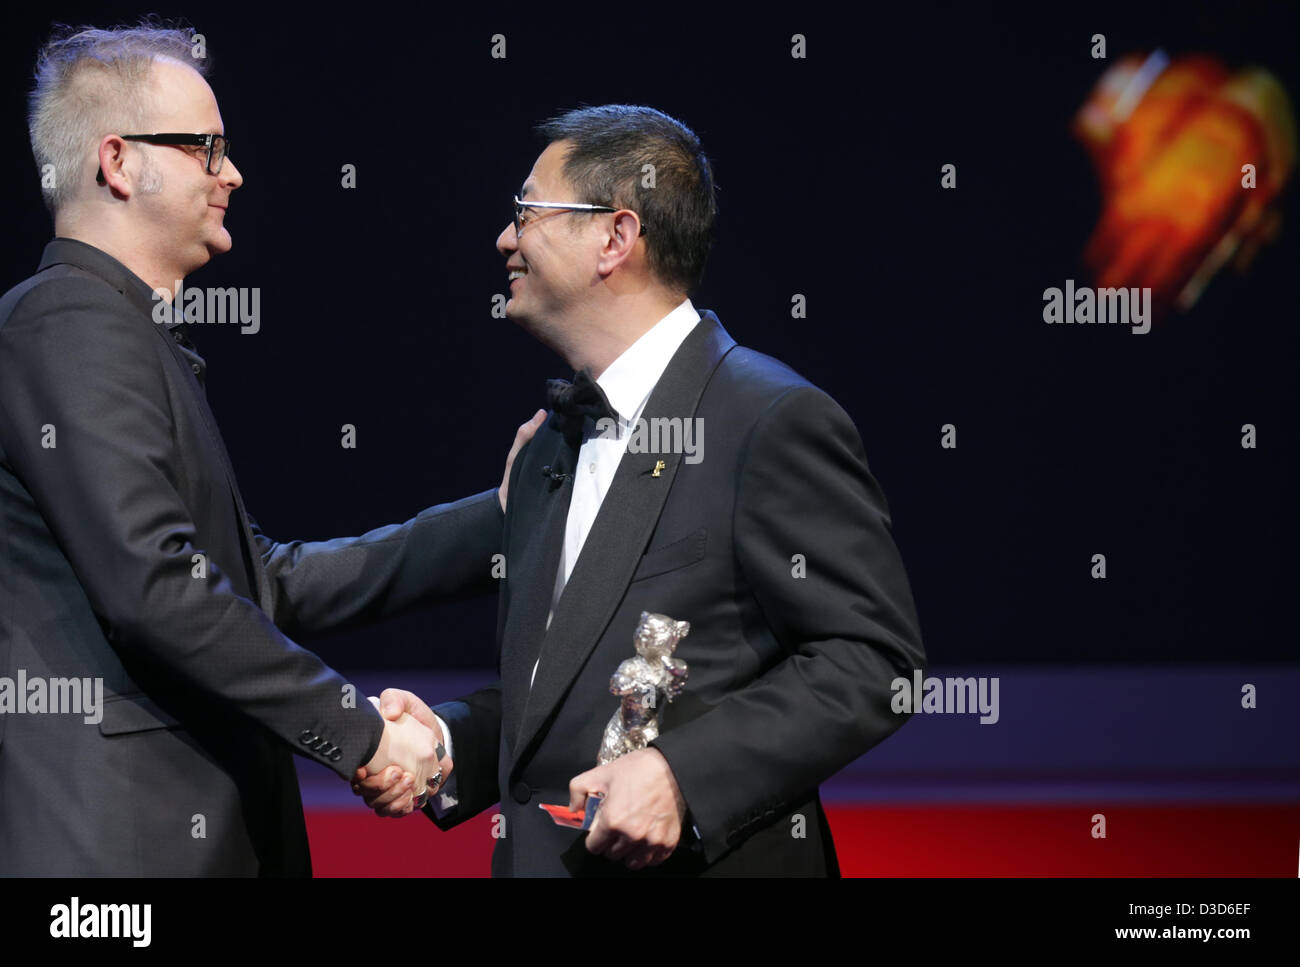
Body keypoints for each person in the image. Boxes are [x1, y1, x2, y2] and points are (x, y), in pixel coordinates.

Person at [0, 22, 538, 876]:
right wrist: (362, 732)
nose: (232, 174)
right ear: (117, 163)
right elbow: (159, 590)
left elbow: (258, 582)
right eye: (207, 149)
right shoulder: (68, 322)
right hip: (122, 856)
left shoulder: (125, 333)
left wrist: (508, 519)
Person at [355, 105, 926, 876]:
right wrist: (450, 744)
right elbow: (567, 694)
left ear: (615, 237)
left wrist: (679, 773)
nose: (505, 238)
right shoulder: (549, 444)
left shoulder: (768, 418)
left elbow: (876, 662)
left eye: (526, 211)